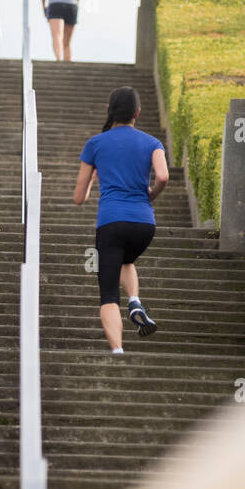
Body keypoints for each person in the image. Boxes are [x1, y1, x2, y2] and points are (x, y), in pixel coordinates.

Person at [72, 86, 169, 356]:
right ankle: (136, 301)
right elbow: (162, 177)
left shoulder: (95, 144)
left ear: (108, 110)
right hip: (144, 225)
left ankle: (118, 351)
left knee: (108, 296)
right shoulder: (152, 143)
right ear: (137, 112)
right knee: (126, 260)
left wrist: (92, 180)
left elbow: (78, 198)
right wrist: (150, 196)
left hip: (112, 222)